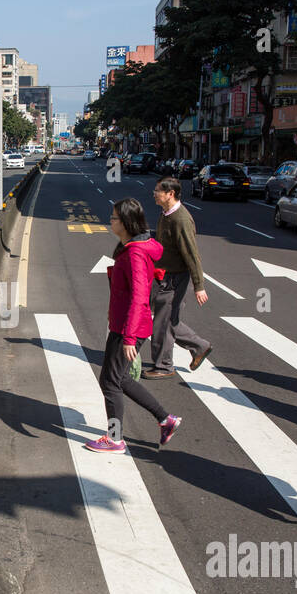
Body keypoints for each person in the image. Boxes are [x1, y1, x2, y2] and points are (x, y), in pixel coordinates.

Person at [85, 197, 182, 454]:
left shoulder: (136, 253)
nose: (110, 221)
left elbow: (139, 296)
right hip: (126, 324)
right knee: (121, 378)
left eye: (114, 217)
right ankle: (165, 419)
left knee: (109, 382)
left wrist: (128, 337)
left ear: (127, 223)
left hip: (129, 327)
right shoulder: (132, 248)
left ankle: (115, 439)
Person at [142, 177, 212, 378]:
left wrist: (199, 285)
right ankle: (200, 346)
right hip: (163, 275)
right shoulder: (166, 213)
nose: (154, 194)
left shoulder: (180, 219)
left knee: (163, 323)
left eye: (157, 191)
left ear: (170, 194)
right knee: (167, 319)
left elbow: (191, 254)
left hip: (174, 278)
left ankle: (164, 366)